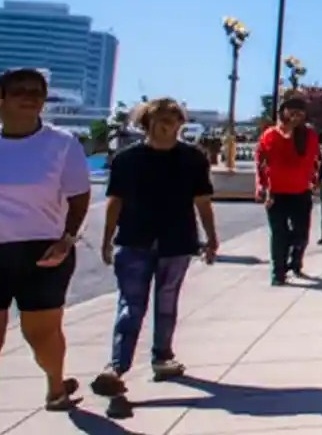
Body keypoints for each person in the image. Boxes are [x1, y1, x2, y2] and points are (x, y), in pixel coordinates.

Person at [0, 68, 92, 430]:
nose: (30, 96)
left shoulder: (62, 144)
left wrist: (67, 238)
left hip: (42, 253)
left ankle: (55, 384)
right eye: (19, 90)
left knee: (42, 336)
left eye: (37, 91)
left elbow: (79, 196)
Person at [89, 98, 218, 413]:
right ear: (146, 123)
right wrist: (106, 240)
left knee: (167, 303)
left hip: (177, 241)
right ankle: (116, 367)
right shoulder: (127, 160)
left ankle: (162, 356)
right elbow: (114, 202)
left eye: (174, 119)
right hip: (135, 240)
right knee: (130, 305)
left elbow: (202, 201)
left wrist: (211, 238)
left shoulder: (193, 159)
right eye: (161, 119)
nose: (168, 124)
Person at [255, 96, 322, 286]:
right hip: (276, 194)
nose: (296, 115)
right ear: (282, 112)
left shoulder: (310, 136)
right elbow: (260, 162)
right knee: (279, 234)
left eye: (300, 112)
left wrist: (316, 182)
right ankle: (278, 272)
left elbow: (316, 161)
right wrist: (261, 185)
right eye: (291, 110)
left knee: (301, 234)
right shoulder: (270, 135)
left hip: (301, 193)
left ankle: (295, 260)